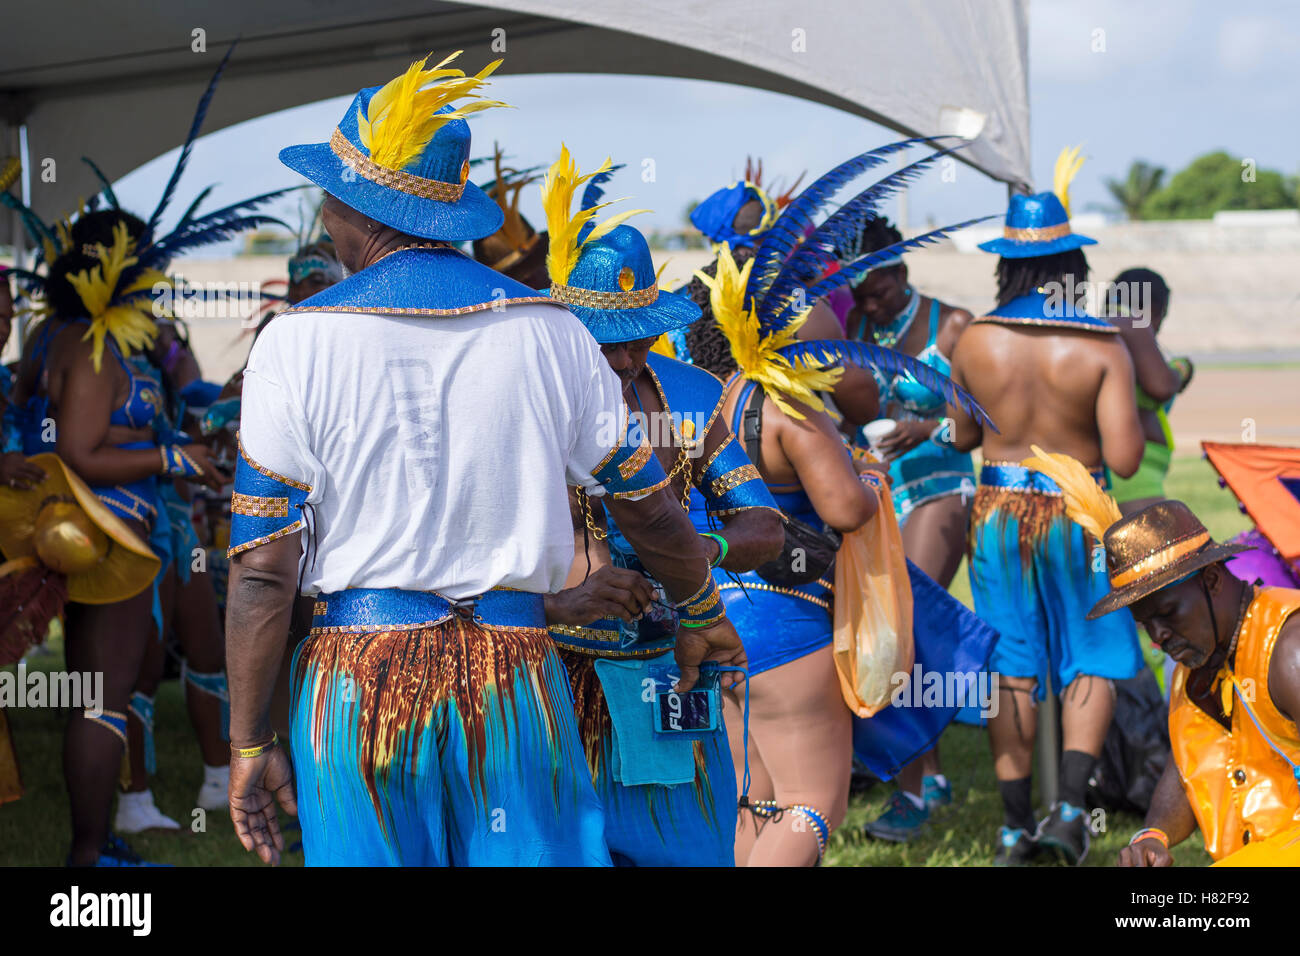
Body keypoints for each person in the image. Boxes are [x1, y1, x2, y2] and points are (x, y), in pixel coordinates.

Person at [225, 52, 746, 867]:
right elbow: (646, 507)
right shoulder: (553, 332)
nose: (324, 213)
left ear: (356, 208)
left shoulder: (294, 342)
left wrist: (250, 741)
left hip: (357, 687)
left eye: (329, 193)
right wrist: (704, 611)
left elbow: (262, 572)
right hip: (517, 677)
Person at [534, 148, 783, 866]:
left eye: (635, 338)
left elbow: (764, 524)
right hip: (552, 666)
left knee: (690, 849)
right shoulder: (530, 395)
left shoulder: (692, 394)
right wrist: (558, 600)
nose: (621, 360)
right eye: (603, 342)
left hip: (674, 663)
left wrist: (705, 552)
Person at [945, 148, 1147, 865]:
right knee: (1089, 655)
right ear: (1074, 267)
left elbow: (965, 435)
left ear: (1008, 264)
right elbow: (1124, 460)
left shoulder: (974, 341)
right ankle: (1067, 815)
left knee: (1012, 667)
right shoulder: (1100, 345)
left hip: (998, 512)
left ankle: (1009, 827)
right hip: (1079, 507)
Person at [847, 216, 976, 842]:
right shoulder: (856, 325)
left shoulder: (951, 325)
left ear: (901, 272)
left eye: (876, 291)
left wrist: (924, 430)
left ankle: (911, 791)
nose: (868, 305)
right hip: (878, 491)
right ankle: (931, 774)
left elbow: (976, 425)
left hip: (940, 486)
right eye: (860, 295)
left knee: (904, 622)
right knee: (895, 630)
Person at [1093, 502, 1300, 866]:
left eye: (1167, 613)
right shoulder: (1197, 663)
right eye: (1145, 624)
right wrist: (1153, 836)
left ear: (1212, 580)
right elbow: (1188, 765)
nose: (1159, 635)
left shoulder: (1289, 649)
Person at [1105, 268, 1193, 515]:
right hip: (1133, 480)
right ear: (1153, 308)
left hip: (1130, 474)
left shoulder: (1109, 325)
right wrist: (1182, 369)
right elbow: (1161, 385)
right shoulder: (1130, 322)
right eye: (1162, 316)